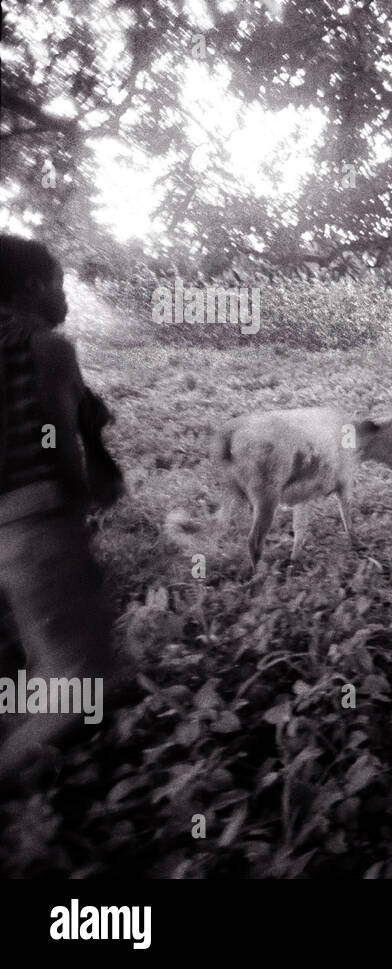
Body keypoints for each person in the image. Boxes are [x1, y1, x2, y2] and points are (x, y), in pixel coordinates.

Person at [0, 234, 122, 781]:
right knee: (82, 681)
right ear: (32, 287)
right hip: (35, 526)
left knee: (42, 663)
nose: (65, 297)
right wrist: (83, 489)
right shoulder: (45, 347)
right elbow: (53, 433)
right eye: (60, 283)